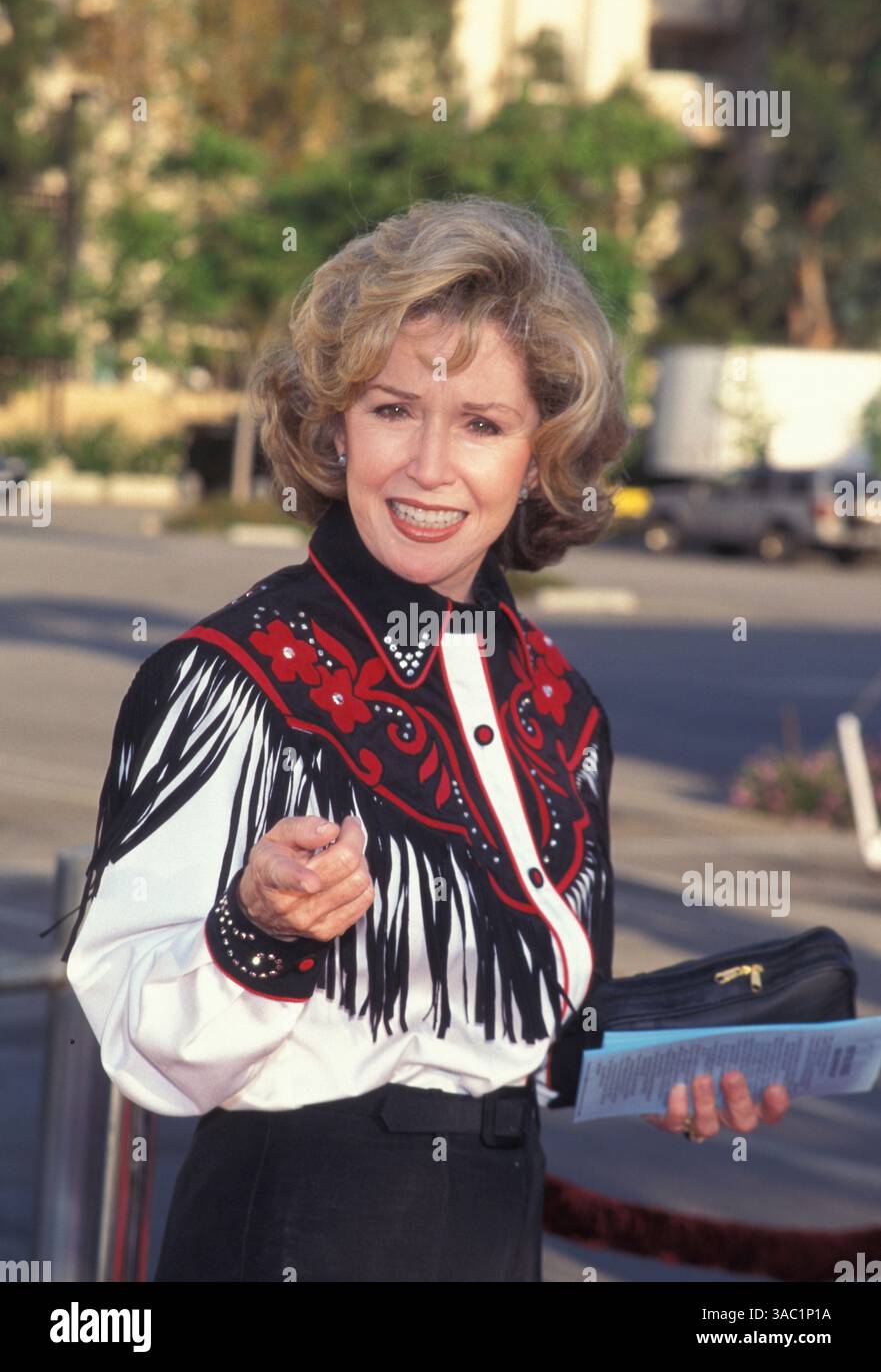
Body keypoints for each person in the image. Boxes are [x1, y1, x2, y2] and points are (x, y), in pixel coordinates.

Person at [60, 195, 789, 1283]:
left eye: (483, 424)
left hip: (495, 1236)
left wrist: (660, 1073)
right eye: (394, 409)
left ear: (543, 454)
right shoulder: (226, 679)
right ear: (332, 424)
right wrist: (258, 927)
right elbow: (139, 1036)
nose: (428, 465)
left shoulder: (561, 706)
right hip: (294, 1231)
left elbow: (504, 1040)